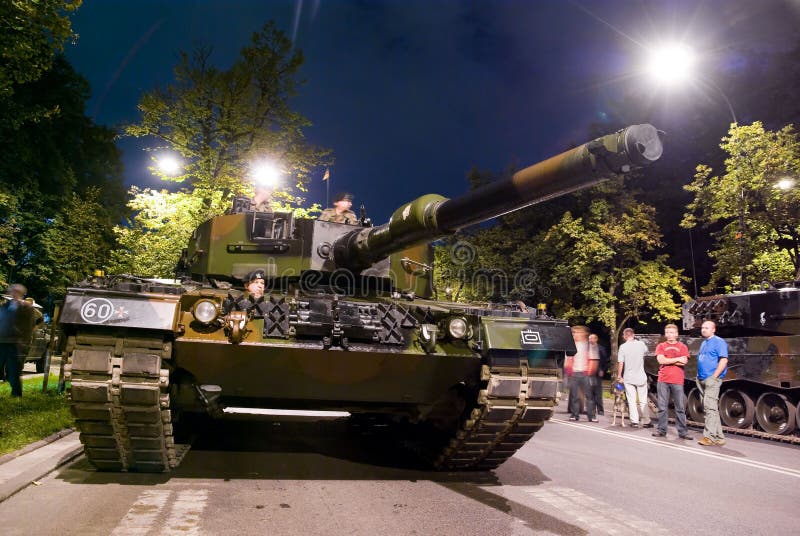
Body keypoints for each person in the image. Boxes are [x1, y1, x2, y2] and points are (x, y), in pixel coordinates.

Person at [652, 324, 692, 439]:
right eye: (667, 332)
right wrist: (677, 359)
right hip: (663, 379)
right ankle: (661, 430)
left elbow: (684, 362)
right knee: (662, 407)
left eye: (672, 332)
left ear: (676, 334)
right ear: (665, 334)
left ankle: (683, 432)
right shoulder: (661, 346)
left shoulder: (682, 346)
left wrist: (668, 360)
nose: (669, 334)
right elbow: (660, 360)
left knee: (680, 407)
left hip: (677, 379)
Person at [0, 283, 36, 397]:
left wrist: (23, 343)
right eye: (12, 291)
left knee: (13, 370)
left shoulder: (27, 308)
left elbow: (28, 327)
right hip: (1, 341)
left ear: (22, 293)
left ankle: (16, 394)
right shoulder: (5, 306)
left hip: (15, 343)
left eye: (16, 291)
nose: (13, 293)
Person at [696, 320, 728, 446]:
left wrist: (714, 377)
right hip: (701, 379)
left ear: (713, 329)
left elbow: (724, 360)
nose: (704, 329)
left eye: (707, 328)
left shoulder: (719, 342)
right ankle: (719, 437)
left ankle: (709, 437)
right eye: (703, 327)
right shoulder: (704, 343)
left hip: (711, 379)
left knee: (709, 408)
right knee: (710, 408)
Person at [616, 327, 652, 428]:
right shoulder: (641, 344)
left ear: (624, 336)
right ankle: (646, 420)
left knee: (631, 399)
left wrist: (619, 375)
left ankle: (634, 421)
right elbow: (645, 353)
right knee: (643, 400)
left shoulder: (623, 347)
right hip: (641, 376)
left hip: (629, 377)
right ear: (633, 335)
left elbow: (621, 363)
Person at [566, 325, 597, 422]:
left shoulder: (589, 345)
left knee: (589, 396)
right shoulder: (571, 345)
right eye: (574, 333)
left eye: (577, 332)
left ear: (584, 334)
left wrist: (589, 372)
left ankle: (591, 416)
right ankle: (575, 415)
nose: (575, 334)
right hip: (574, 373)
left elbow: (593, 360)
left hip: (585, 373)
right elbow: (567, 359)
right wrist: (568, 371)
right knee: (574, 396)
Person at [588, 333, 609, 416]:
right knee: (590, 392)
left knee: (598, 392)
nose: (590, 340)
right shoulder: (587, 349)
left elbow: (605, 361)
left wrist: (603, 370)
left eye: (591, 339)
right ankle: (592, 410)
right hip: (589, 372)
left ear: (596, 339)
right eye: (589, 339)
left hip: (597, 372)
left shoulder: (601, 349)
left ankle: (600, 410)